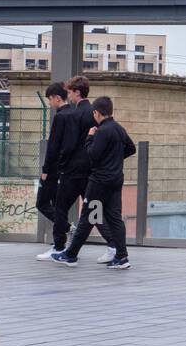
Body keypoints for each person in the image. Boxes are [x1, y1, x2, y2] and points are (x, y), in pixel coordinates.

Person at [52, 96, 134, 269]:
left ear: (97, 112)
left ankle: (70, 255)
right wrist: (115, 160)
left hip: (99, 183)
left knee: (88, 217)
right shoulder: (119, 128)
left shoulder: (102, 131)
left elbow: (92, 156)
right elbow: (131, 148)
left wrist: (89, 138)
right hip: (115, 181)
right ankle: (122, 257)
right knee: (114, 218)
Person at [52, 75, 98, 257]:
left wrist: (61, 165)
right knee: (94, 208)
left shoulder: (74, 114)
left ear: (77, 92)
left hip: (72, 170)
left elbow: (68, 145)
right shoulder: (96, 112)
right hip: (92, 170)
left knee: (60, 207)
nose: (68, 95)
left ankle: (59, 246)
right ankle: (113, 245)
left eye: (70, 92)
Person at [34, 82, 72, 261]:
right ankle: (61, 237)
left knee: (42, 202)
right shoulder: (75, 114)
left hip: (54, 169)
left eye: (50, 99)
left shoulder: (60, 117)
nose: (49, 103)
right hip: (68, 169)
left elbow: (53, 146)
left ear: (58, 98)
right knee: (58, 205)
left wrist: (45, 170)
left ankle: (64, 231)